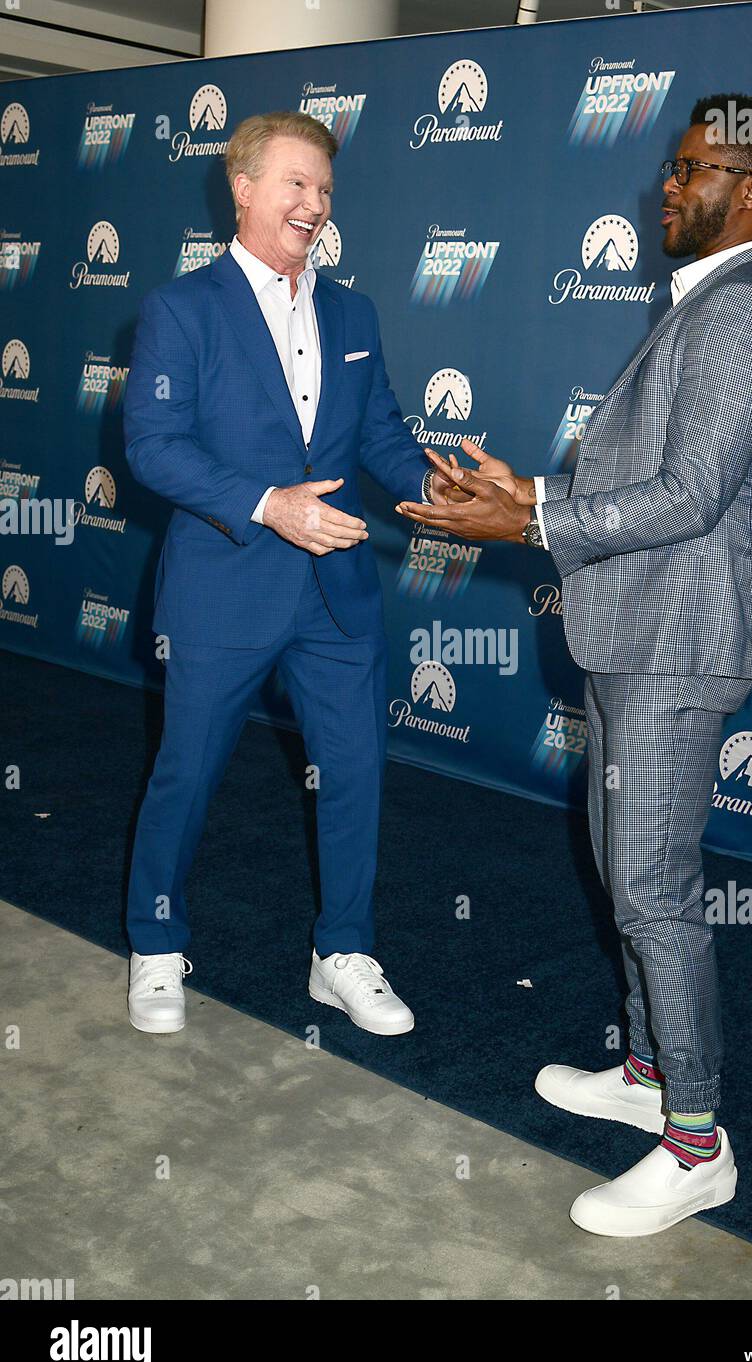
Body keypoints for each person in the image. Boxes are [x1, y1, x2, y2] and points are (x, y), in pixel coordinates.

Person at [396, 94, 752, 1236]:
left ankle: (697, 1143)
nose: (664, 188)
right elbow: (660, 474)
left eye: (689, 171)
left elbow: (689, 497)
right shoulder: (709, 300)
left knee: (653, 891)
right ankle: (644, 1076)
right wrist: (526, 492)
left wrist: (526, 527)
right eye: (671, 169)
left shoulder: (741, 315)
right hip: (635, 629)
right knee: (618, 868)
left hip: (678, 639)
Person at [123, 111, 453, 1039]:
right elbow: (152, 448)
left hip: (335, 590)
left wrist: (441, 489)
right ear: (244, 189)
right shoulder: (180, 309)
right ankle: (156, 943)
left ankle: (341, 951)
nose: (314, 204)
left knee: (352, 773)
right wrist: (270, 503)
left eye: (325, 190)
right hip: (223, 586)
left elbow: (379, 433)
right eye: (297, 184)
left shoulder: (353, 311)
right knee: (186, 772)